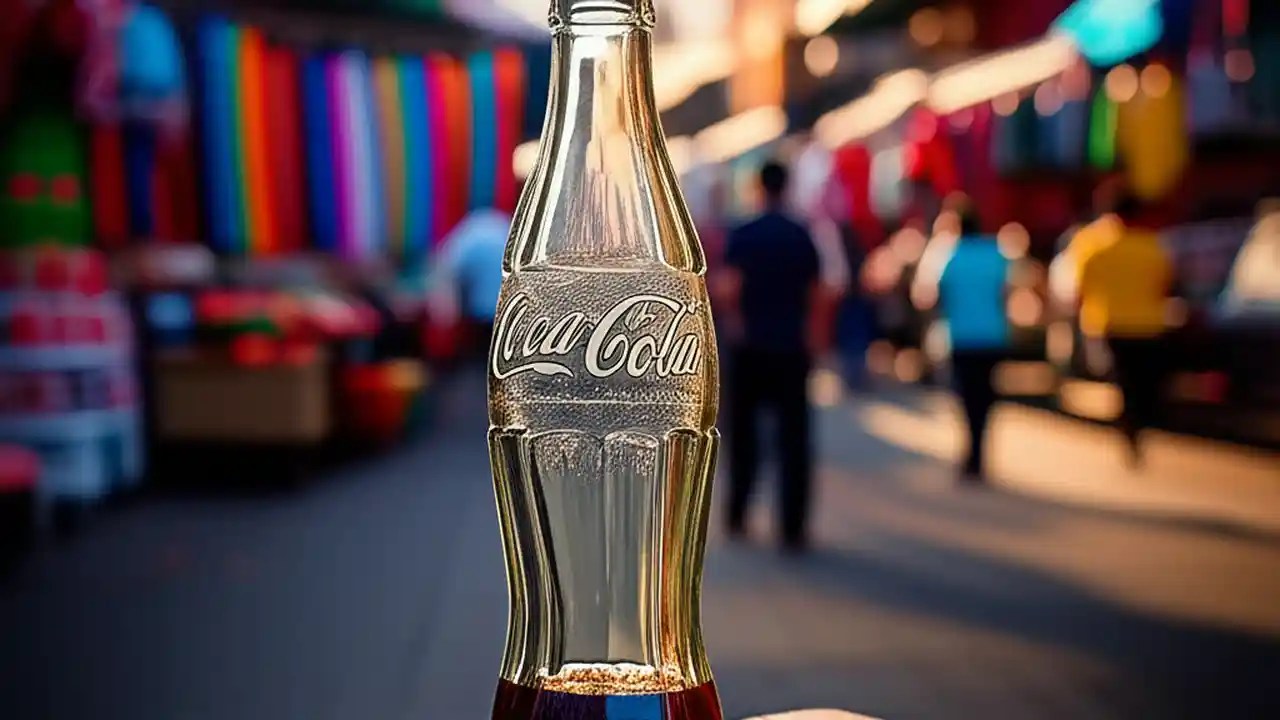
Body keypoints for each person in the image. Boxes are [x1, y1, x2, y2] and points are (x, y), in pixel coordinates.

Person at [722, 161, 820, 551]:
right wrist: (812, 335)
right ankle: (792, 527)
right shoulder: (801, 234)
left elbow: (730, 288)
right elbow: (818, 292)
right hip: (792, 347)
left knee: (743, 438)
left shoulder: (744, 234)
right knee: (794, 439)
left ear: (757, 187)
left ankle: (738, 515)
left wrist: (736, 325)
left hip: (750, 349)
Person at [913, 197, 1011, 483]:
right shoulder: (995, 252)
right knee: (986, 397)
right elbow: (1006, 293)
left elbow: (927, 297)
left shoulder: (947, 253)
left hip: (961, 337)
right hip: (993, 336)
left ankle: (971, 454)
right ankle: (980, 453)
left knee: (966, 398)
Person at [1071, 192, 1173, 467]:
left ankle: (1129, 427)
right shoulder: (1152, 246)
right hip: (1149, 325)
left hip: (1109, 324)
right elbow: (1164, 287)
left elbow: (1079, 289)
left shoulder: (1091, 244)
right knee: (1143, 384)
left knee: (1124, 384)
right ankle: (1138, 426)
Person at [431, 207, 511, 349]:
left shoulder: (467, 235)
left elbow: (448, 273)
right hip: (508, 314)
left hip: (480, 317)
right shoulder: (502, 227)